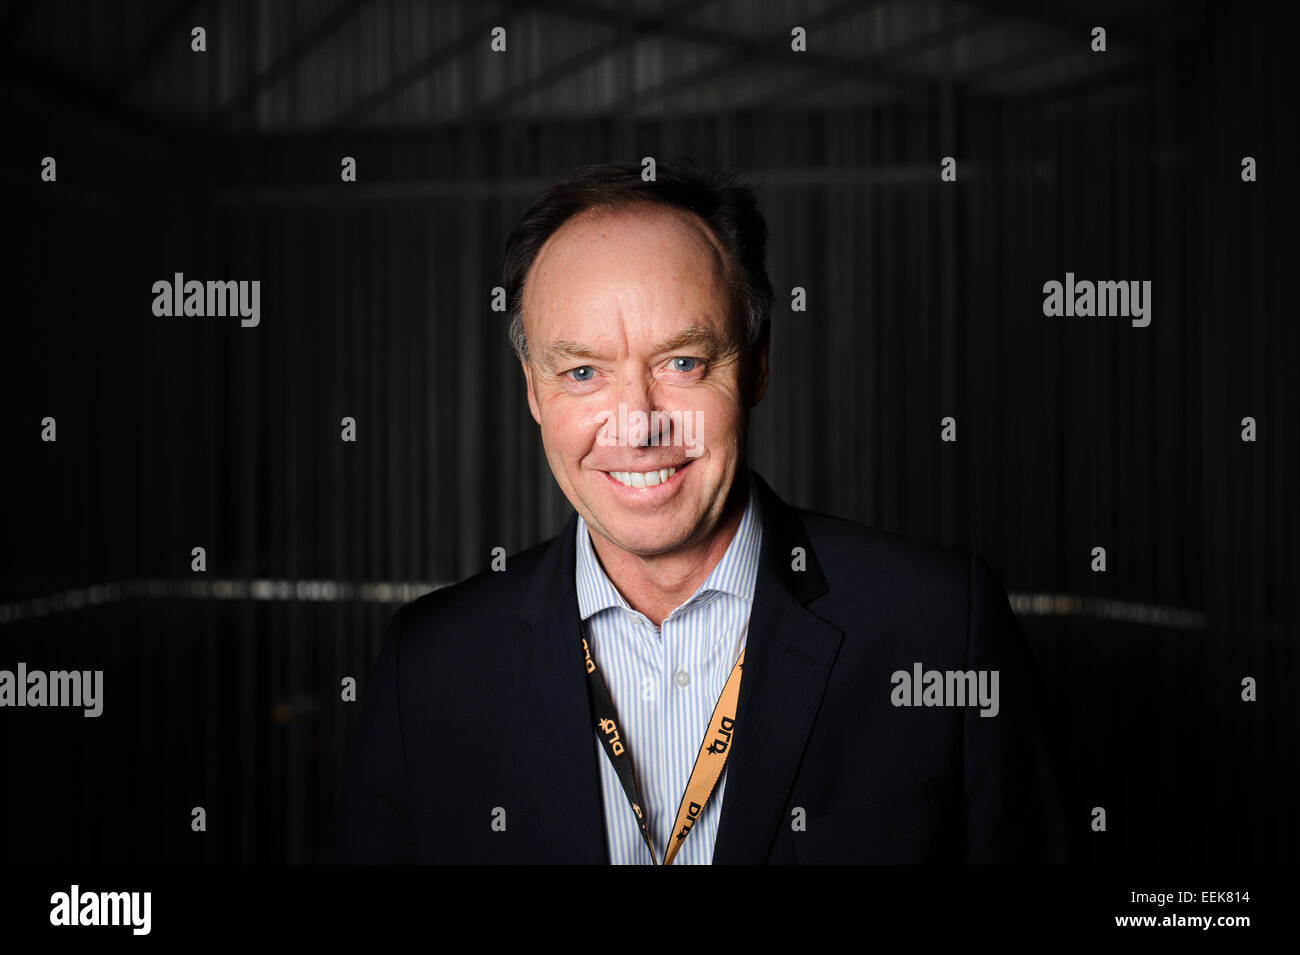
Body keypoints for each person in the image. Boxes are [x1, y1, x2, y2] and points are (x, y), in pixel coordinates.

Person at [336, 158, 1073, 864]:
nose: (637, 423)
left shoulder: (941, 627)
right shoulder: (429, 668)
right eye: (583, 371)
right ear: (533, 390)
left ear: (756, 363)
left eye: (682, 362)